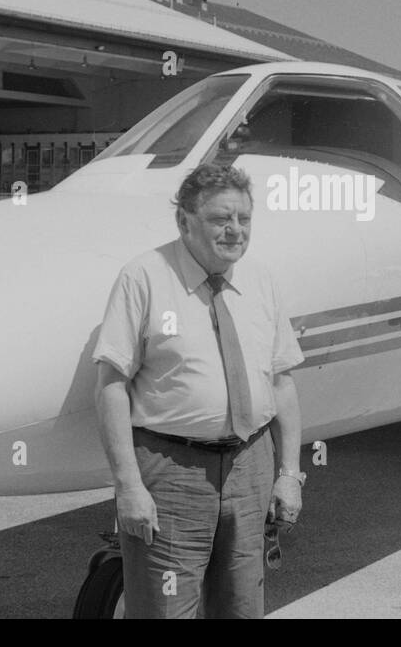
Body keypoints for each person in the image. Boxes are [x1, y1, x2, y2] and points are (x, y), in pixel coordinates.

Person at [92, 162, 305, 619]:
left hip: (250, 465)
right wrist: (128, 485)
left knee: (242, 606)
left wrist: (289, 474)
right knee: (164, 609)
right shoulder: (144, 277)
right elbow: (111, 386)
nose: (234, 231)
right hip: (171, 470)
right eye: (219, 219)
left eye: (243, 219)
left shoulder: (261, 281)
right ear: (185, 221)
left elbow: (282, 382)